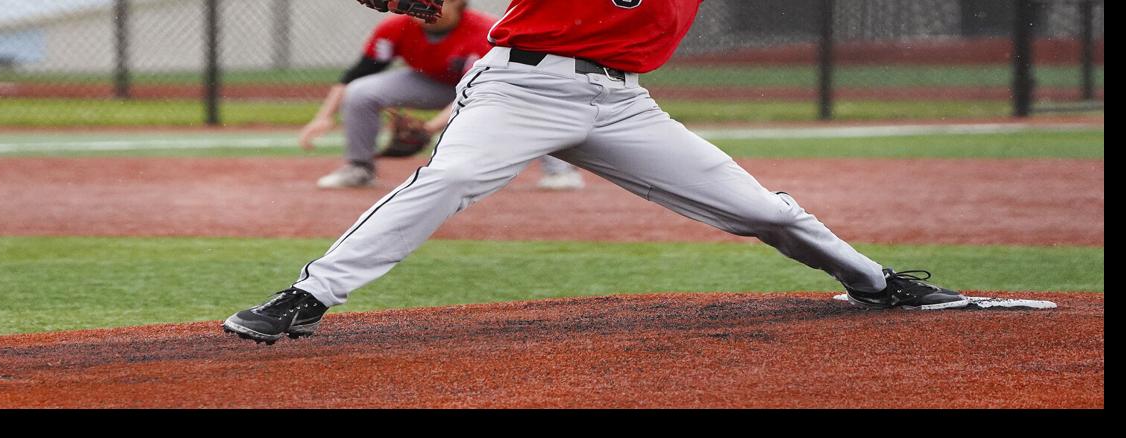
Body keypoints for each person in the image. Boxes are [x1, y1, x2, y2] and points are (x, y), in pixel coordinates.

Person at [223, 0, 972, 344]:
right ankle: (306, 296)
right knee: (448, 180)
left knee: (764, 211)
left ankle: (876, 282)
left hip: (623, 102)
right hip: (522, 85)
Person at [299, 0, 582, 190]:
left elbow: (474, 88)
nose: (424, 6)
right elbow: (355, 75)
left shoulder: (485, 32)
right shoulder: (396, 27)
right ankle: (359, 168)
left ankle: (559, 170)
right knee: (361, 92)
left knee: (532, 103)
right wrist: (323, 117)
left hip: (495, 86)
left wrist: (429, 128)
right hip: (432, 83)